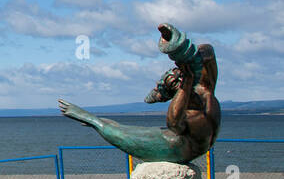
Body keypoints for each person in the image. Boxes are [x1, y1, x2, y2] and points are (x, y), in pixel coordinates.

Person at [58, 24, 220, 163]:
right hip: (180, 149)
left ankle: (99, 122)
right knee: (155, 137)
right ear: (174, 92)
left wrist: (192, 56)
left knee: (118, 128)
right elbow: (174, 124)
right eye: (174, 82)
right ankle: (94, 121)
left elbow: (209, 52)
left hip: (194, 147)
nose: (179, 79)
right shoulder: (184, 115)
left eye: (178, 75)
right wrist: (187, 82)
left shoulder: (205, 91)